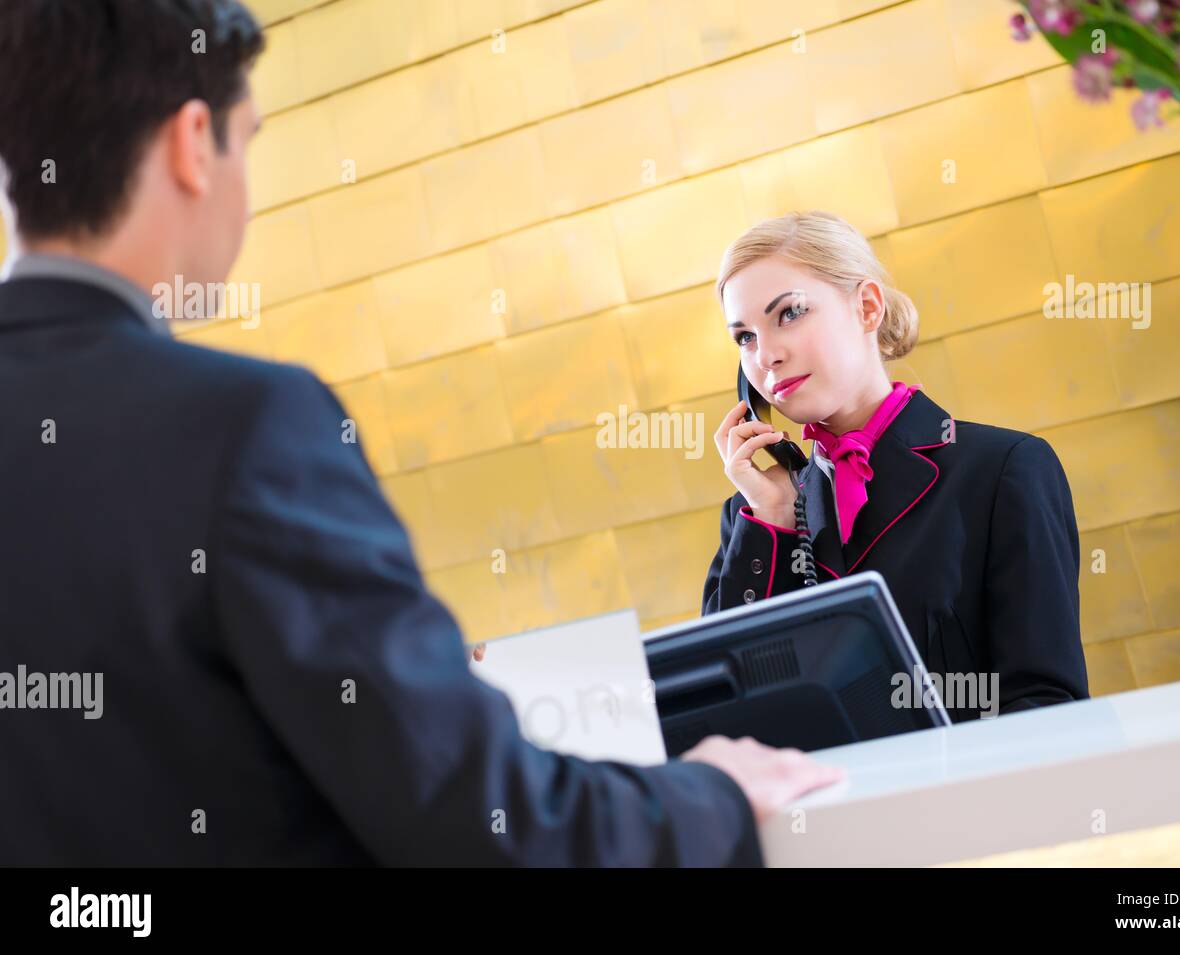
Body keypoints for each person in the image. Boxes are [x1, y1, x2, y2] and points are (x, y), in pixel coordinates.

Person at [0, 0, 841, 867]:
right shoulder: (245, 427)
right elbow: (476, 816)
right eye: (246, 143)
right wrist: (711, 797)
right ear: (190, 143)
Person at [705, 212, 1088, 720]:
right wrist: (772, 521)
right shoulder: (752, 516)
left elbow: (1048, 704)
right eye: (745, 338)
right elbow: (725, 716)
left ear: (866, 307)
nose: (767, 355)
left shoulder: (1002, 472)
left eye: (790, 314)